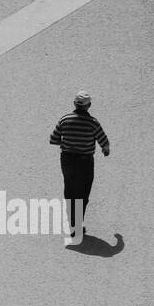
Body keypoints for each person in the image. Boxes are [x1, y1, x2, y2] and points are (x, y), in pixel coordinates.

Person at [49, 91, 110, 242]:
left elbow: (53, 139)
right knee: (83, 192)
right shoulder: (93, 123)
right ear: (89, 105)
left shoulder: (65, 119)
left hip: (67, 160)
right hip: (85, 162)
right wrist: (105, 149)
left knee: (69, 189)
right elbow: (104, 142)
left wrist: (67, 142)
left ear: (74, 104)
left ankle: (73, 223)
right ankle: (77, 225)